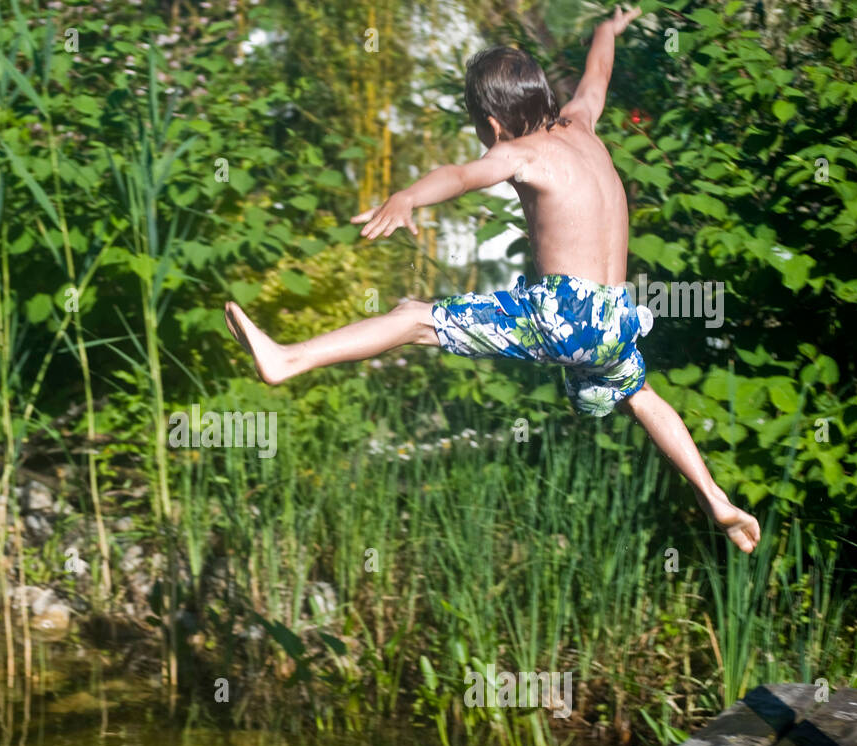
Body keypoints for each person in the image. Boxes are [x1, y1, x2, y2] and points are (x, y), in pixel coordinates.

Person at [223, 6, 761, 554]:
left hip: (565, 314)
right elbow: (597, 77)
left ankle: (289, 359)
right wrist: (608, 30)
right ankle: (715, 497)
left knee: (414, 319)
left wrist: (408, 195)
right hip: (616, 319)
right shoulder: (583, 123)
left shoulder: (518, 153)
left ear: (494, 125)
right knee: (640, 394)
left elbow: (460, 177)